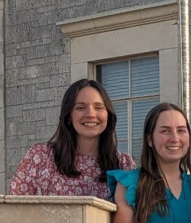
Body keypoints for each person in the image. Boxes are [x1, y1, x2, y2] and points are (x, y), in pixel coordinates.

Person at [7, 79, 135, 197]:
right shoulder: (40, 157)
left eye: (99, 107)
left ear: (108, 115)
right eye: (80, 107)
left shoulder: (124, 165)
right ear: (69, 116)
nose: (90, 114)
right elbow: (15, 211)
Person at [108, 103, 191, 223]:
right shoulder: (130, 186)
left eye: (181, 130)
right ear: (150, 139)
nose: (175, 138)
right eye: (165, 131)